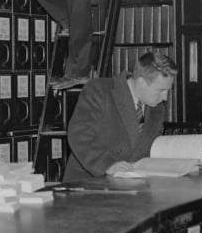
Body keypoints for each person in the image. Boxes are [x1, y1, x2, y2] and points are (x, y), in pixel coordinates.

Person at [64, 52, 178, 182]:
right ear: (141, 82)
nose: (165, 98)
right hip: (89, 185)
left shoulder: (156, 108)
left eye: (168, 90)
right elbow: (79, 134)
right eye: (161, 90)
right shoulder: (99, 90)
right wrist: (107, 165)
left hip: (133, 187)